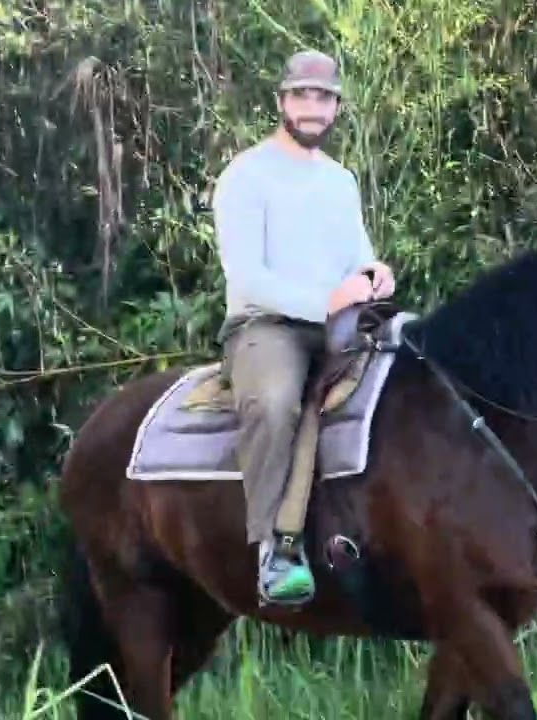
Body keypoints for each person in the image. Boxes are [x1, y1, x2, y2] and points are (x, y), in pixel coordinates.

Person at [212, 49, 397, 606]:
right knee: (274, 402)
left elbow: (356, 257)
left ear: (337, 106)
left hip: (341, 322)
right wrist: (327, 302)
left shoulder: (341, 181)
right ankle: (272, 548)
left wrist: (374, 273)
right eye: (302, 96)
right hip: (267, 327)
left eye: (324, 98)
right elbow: (247, 276)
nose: (313, 108)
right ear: (281, 102)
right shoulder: (246, 176)